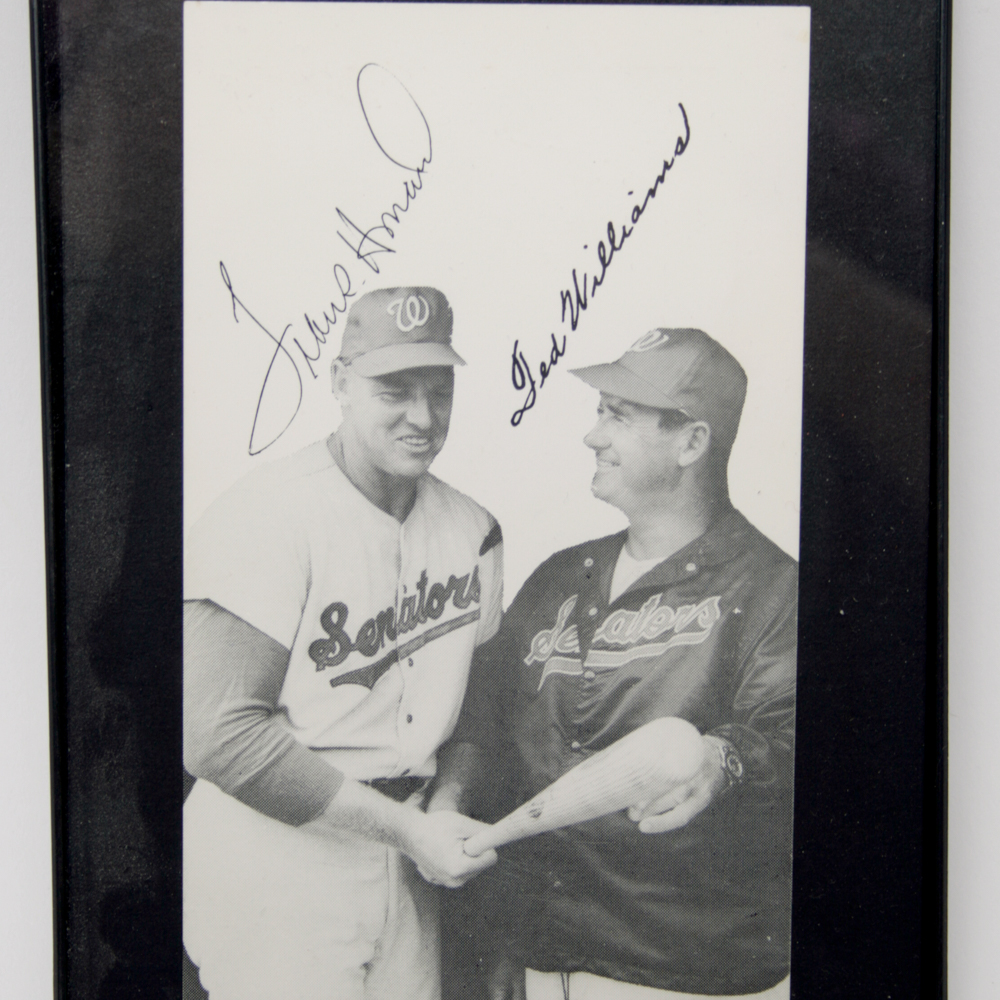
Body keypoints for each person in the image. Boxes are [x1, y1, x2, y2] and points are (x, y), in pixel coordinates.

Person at [440, 328, 797, 1000]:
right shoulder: (557, 579)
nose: (592, 436)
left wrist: (726, 761)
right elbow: (479, 722)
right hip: (536, 965)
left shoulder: (773, 591)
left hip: (677, 978)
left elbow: (800, 744)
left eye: (618, 416)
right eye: (600, 411)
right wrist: (447, 801)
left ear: (692, 442)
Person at [183, 287, 502, 1000]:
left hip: (407, 855)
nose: (422, 417)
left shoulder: (472, 529)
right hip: (277, 856)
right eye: (394, 389)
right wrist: (410, 831)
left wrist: (447, 805)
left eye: (439, 390)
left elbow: (478, 713)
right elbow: (214, 733)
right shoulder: (266, 514)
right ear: (339, 383)